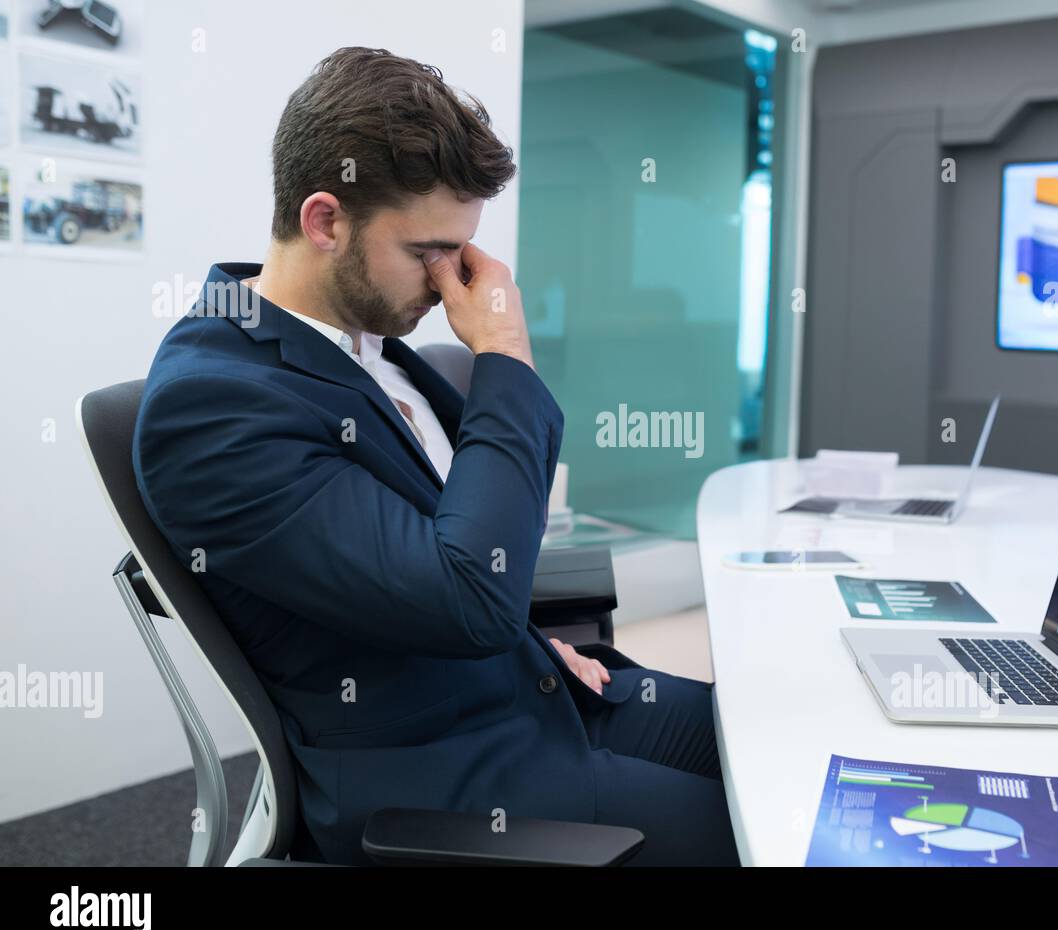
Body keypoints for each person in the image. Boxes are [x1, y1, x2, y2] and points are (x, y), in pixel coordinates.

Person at [133, 47, 739, 866]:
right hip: (450, 779)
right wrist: (506, 354)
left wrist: (532, 645)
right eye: (429, 251)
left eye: (462, 249)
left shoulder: (367, 343)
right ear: (325, 221)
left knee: (782, 741)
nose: (452, 279)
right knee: (784, 831)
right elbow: (467, 594)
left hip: (538, 691)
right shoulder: (212, 406)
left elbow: (448, 546)